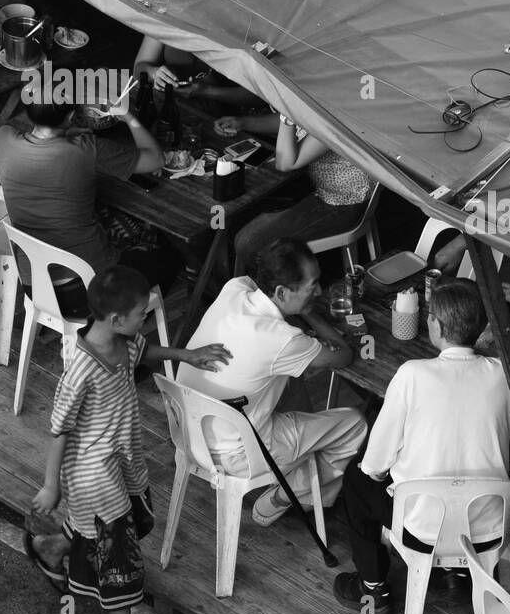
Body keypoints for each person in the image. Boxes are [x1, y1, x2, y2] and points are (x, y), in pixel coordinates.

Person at [25, 266, 231, 614]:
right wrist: (51, 485)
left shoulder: (124, 341)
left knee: (119, 527)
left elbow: (143, 352)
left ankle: (54, 548)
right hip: (92, 470)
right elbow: (59, 430)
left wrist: (188, 355)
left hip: (122, 458)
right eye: (142, 313)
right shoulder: (81, 370)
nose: (146, 318)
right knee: (118, 548)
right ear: (116, 318)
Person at [333, 278, 510, 614]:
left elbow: (374, 463)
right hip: (488, 527)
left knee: (357, 480)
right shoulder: (504, 374)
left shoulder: (412, 374)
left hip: (423, 531)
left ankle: (373, 587)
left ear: (437, 325)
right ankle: (456, 573)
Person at [177, 238, 367, 524]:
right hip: (237, 454)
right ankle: (290, 495)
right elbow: (344, 355)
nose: (318, 290)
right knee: (355, 423)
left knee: (287, 380)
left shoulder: (234, 288)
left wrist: (296, 304)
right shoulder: (284, 339)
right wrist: (307, 312)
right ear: (280, 291)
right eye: (311, 285)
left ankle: (299, 463)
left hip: (189, 434)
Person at [0, 94, 182, 316]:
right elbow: (156, 159)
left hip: (35, 285)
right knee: (169, 258)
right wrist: (128, 116)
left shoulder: (3, 138)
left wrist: (64, 134)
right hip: (92, 289)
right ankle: (125, 321)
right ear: (70, 116)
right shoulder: (85, 148)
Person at [213, 112, 372, 276]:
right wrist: (243, 122)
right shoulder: (314, 97)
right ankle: (225, 287)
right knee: (237, 219)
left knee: (248, 242)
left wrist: (287, 113)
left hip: (343, 202)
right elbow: (296, 119)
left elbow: (285, 163)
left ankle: (274, 294)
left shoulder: (334, 114)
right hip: (318, 187)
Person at [133, 36, 267, 115]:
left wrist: (206, 91)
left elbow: (262, 98)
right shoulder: (167, 16)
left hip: (221, 120)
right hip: (168, 108)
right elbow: (138, 69)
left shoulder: (246, 31)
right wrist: (153, 73)